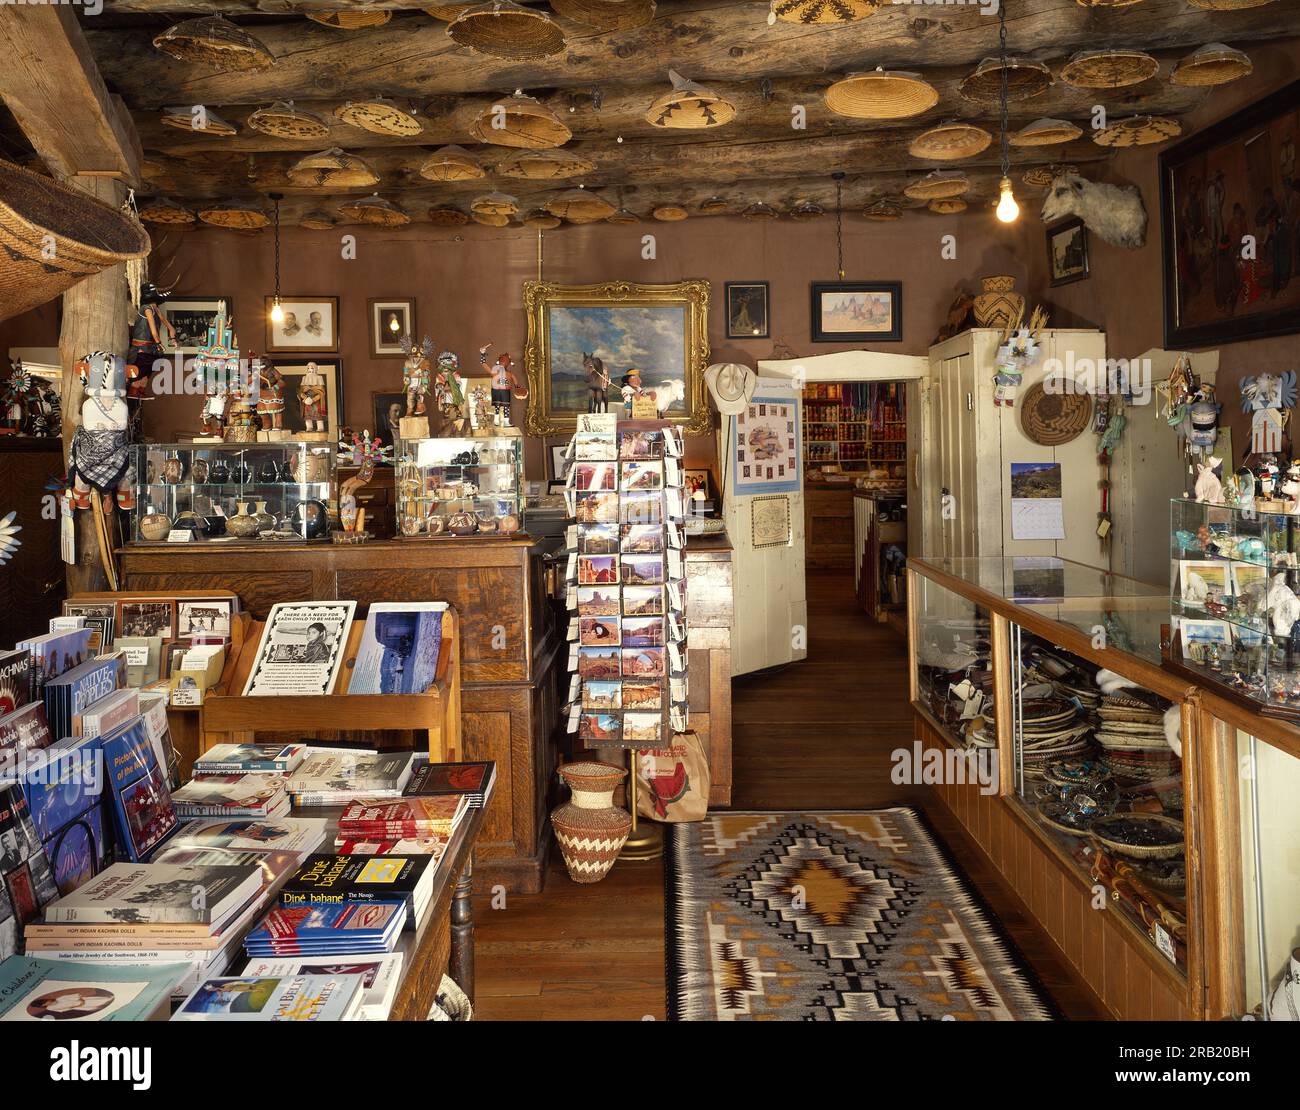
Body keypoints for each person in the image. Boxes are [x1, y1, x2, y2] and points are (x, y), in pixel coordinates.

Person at [479, 343, 527, 426]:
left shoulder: (508, 373)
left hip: (505, 391)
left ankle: (505, 421)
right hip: (497, 390)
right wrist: (482, 354)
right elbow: (484, 364)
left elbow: (515, 383)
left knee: (506, 406)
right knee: (497, 405)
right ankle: (496, 420)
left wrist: (518, 389)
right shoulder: (496, 372)